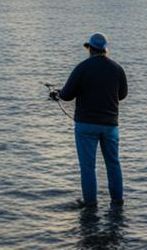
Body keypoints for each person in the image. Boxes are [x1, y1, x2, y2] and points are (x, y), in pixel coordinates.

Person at [51, 32, 127, 208]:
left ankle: (90, 203)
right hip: (110, 126)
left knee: (88, 167)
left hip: (86, 125)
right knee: (113, 164)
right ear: (105, 50)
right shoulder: (117, 69)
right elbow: (122, 95)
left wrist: (57, 94)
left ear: (90, 49)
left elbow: (67, 95)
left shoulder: (82, 68)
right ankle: (117, 202)